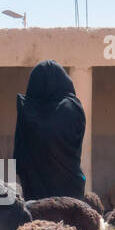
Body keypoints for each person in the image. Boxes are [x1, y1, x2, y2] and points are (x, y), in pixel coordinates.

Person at [13, 59, 86, 201]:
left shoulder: (28, 112)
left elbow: (19, 157)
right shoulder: (73, 107)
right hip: (72, 195)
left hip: (36, 197)